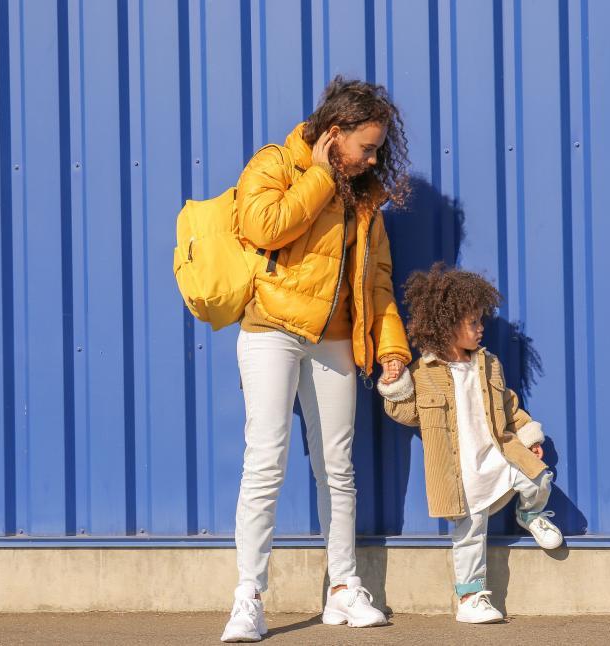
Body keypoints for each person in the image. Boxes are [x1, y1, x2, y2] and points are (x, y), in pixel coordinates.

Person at [221, 76, 412, 643]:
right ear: (335, 133)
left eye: (378, 149)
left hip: (335, 338)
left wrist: (392, 347)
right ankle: (248, 598)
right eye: (367, 147)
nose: (373, 159)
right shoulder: (276, 164)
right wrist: (322, 175)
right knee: (266, 459)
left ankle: (343, 589)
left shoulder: (365, 196)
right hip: (271, 330)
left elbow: (377, 280)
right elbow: (263, 226)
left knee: (338, 467)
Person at [377, 263, 563, 624]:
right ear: (447, 325)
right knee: (470, 533)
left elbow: (508, 405)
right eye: (473, 322)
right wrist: (392, 383)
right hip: (460, 472)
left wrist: (528, 436)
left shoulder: (488, 363)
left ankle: (529, 514)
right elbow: (404, 411)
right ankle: (470, 597)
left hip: (498, 454)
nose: (481, 329)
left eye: (481, 321)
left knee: (539, 478)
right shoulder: (424, 372)